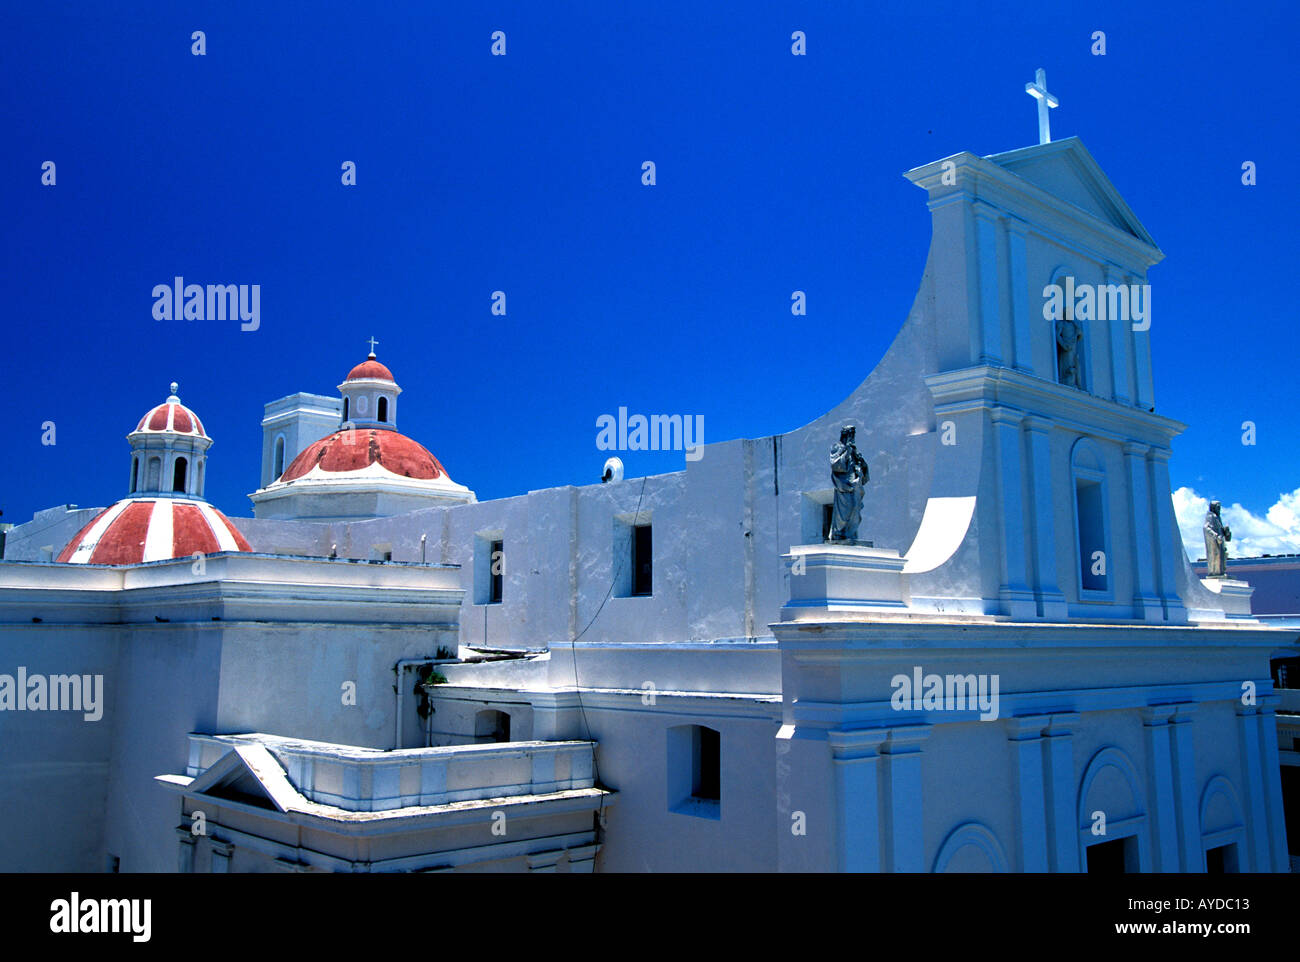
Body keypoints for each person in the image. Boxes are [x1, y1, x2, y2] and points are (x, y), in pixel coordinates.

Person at [829, 426, 869, 542]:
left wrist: (861, 462)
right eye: (850, 435)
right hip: (844, 486)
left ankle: (850, 533)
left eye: (853, 435)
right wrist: (847, 450)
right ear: (845, 435)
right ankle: (839, 533)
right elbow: (836, 465)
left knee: (855, 509)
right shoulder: (837, 447)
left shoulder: (853, 450)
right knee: (844, 511)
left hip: (855, 484)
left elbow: (862, 468)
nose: (852, 438)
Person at [1203, 500, 1231, 577]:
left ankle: (1221, 572)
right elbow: (1206, 527)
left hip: (1221, 540)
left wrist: (1226, 531)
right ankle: (1216, 572)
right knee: (1216, 556)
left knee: (1223, 555)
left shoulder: (1218, 518)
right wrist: (1215, 535)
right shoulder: (1210, 516)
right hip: (1215, 541)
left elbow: (1220, 530)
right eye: (1218, 507)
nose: (1219, 509)